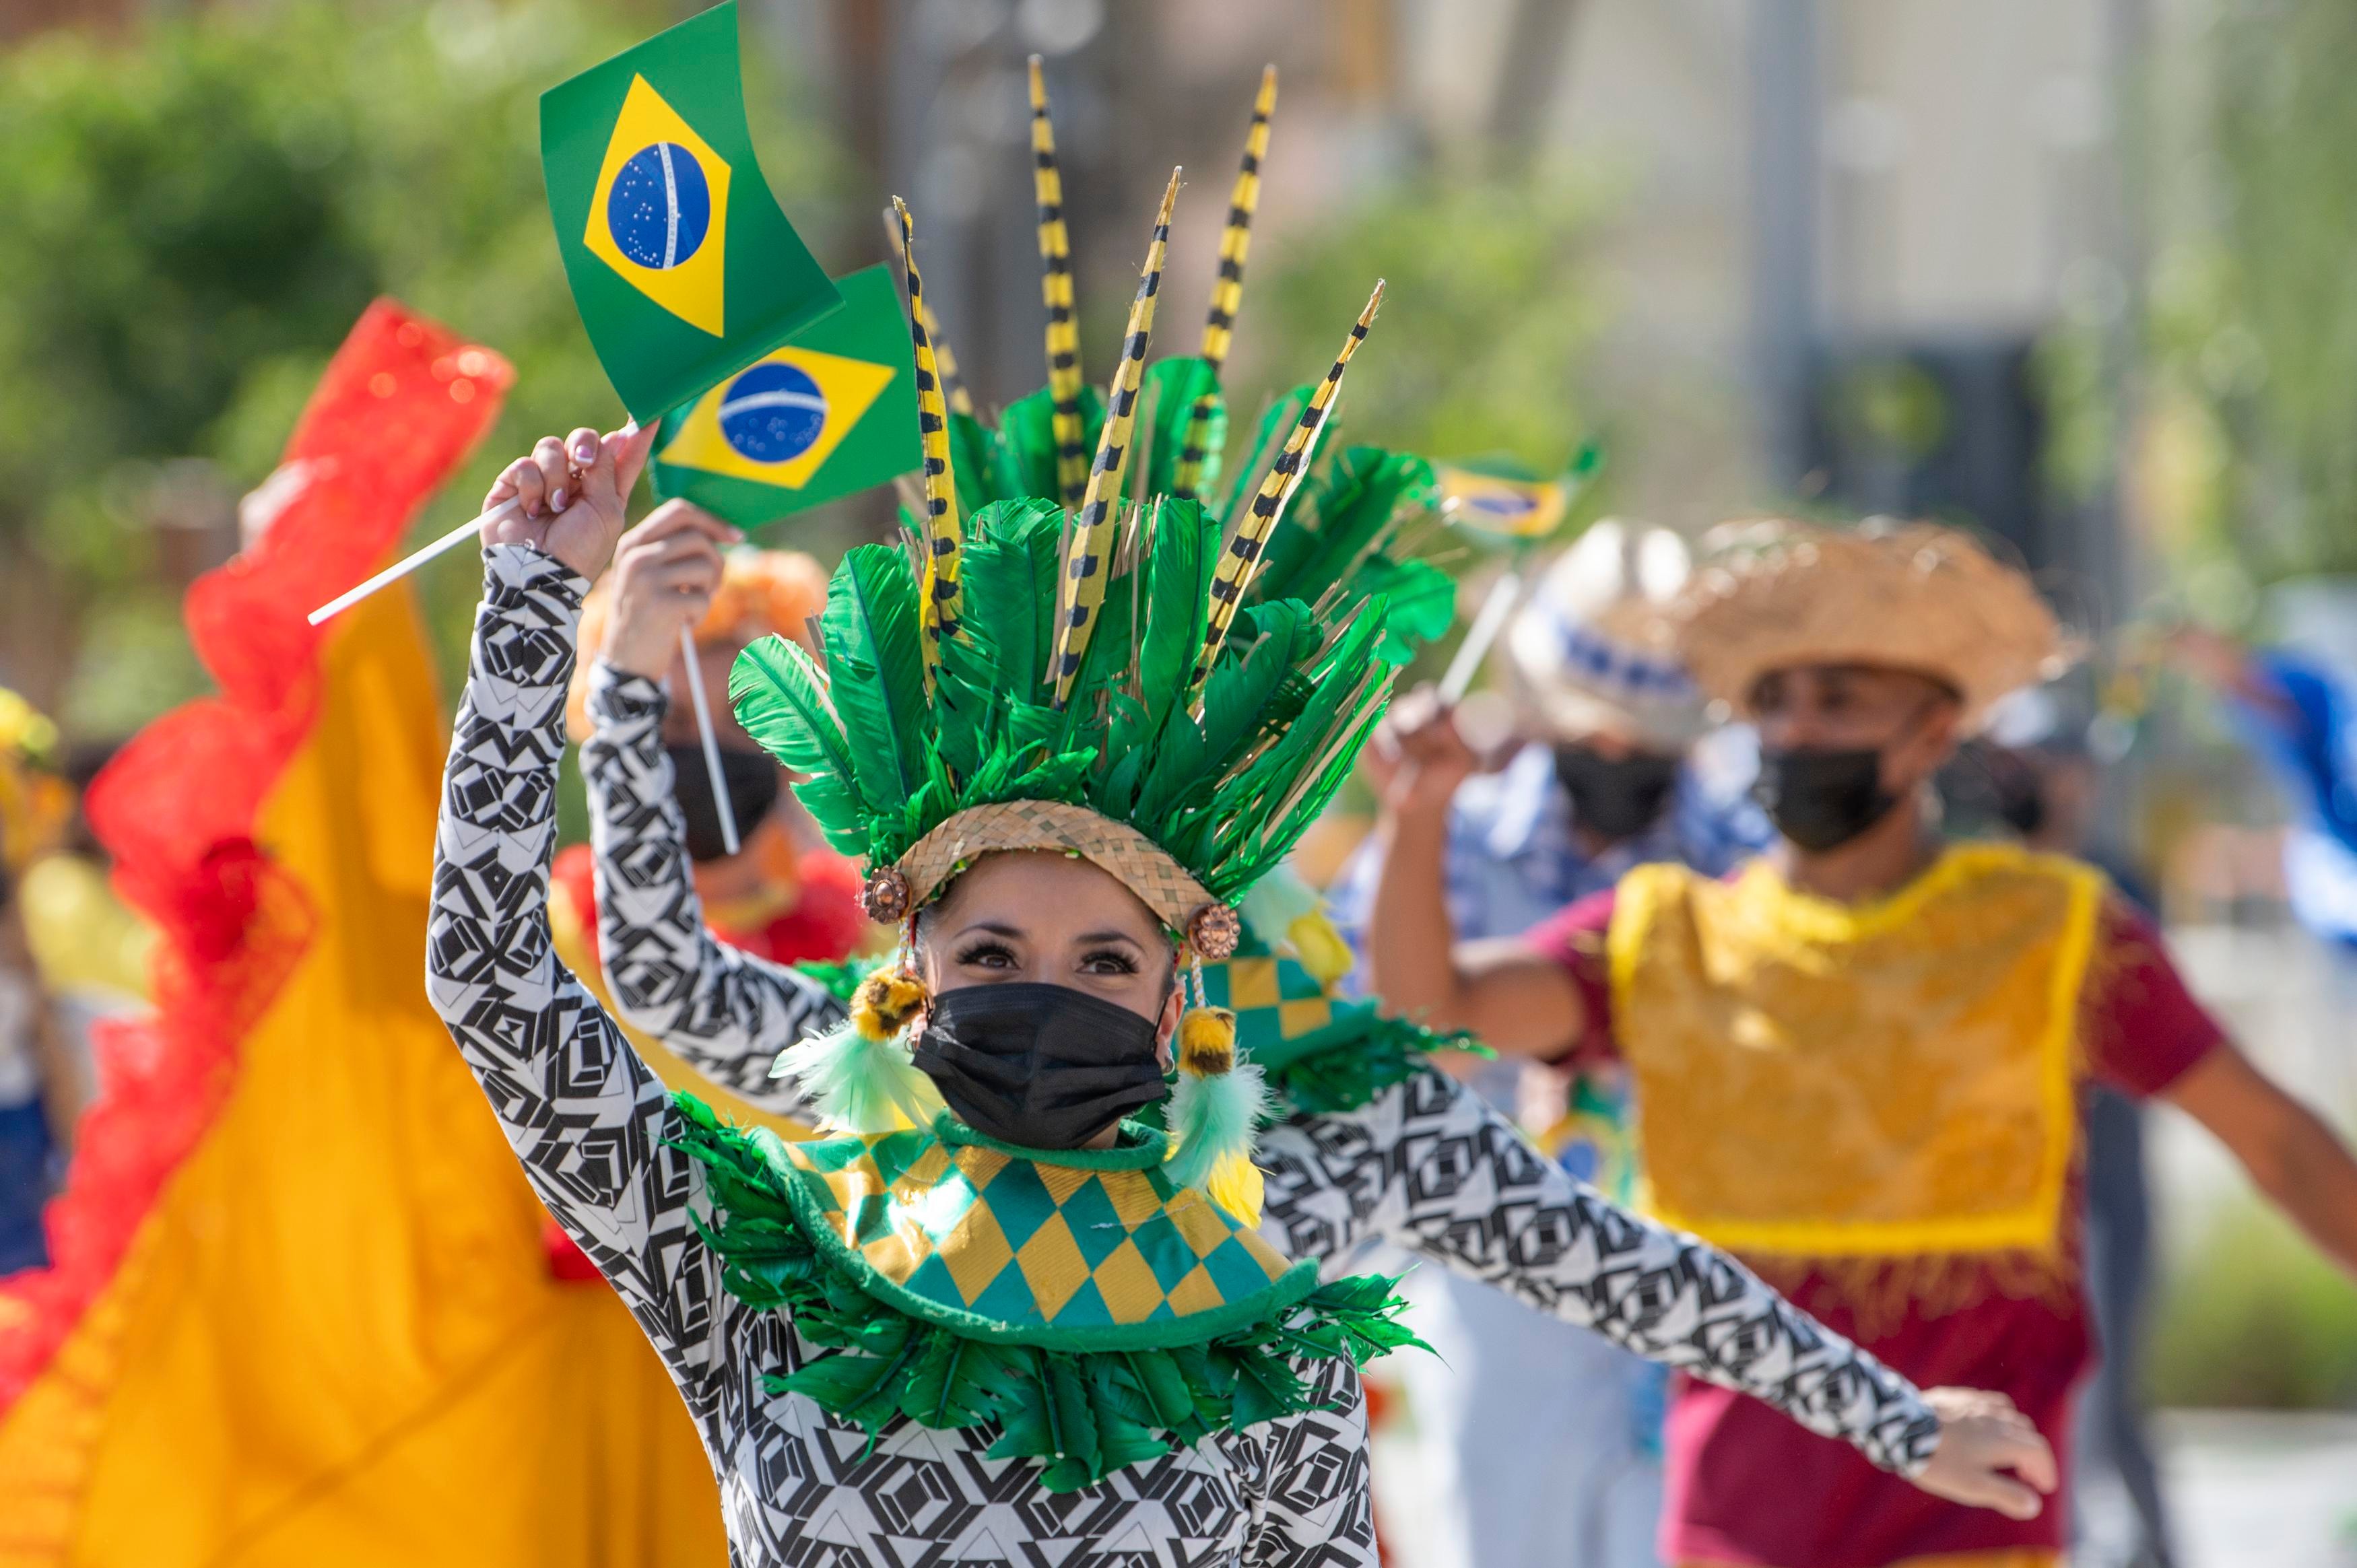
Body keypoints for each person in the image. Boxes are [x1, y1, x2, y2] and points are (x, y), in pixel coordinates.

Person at [1368, 516, 2357, 1568]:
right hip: (1729, 1535)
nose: (1796, 732)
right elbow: (1436, 1013)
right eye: (1773, 703)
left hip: (1971, 1537)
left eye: (1838, 700)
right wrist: (1417, 817)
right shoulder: (1662, 936)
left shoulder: (2058, 933)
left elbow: (2277, 1140)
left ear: (1934, 733)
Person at [1327, 518, 1766, 1568]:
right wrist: (1413, 824)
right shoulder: (1447, 842)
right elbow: (1370, 1040)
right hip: (1498, 1306)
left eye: (1641, 736)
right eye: (1597, 728)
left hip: (1693, 1291)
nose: (1615, 753)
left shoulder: (1747, 865)